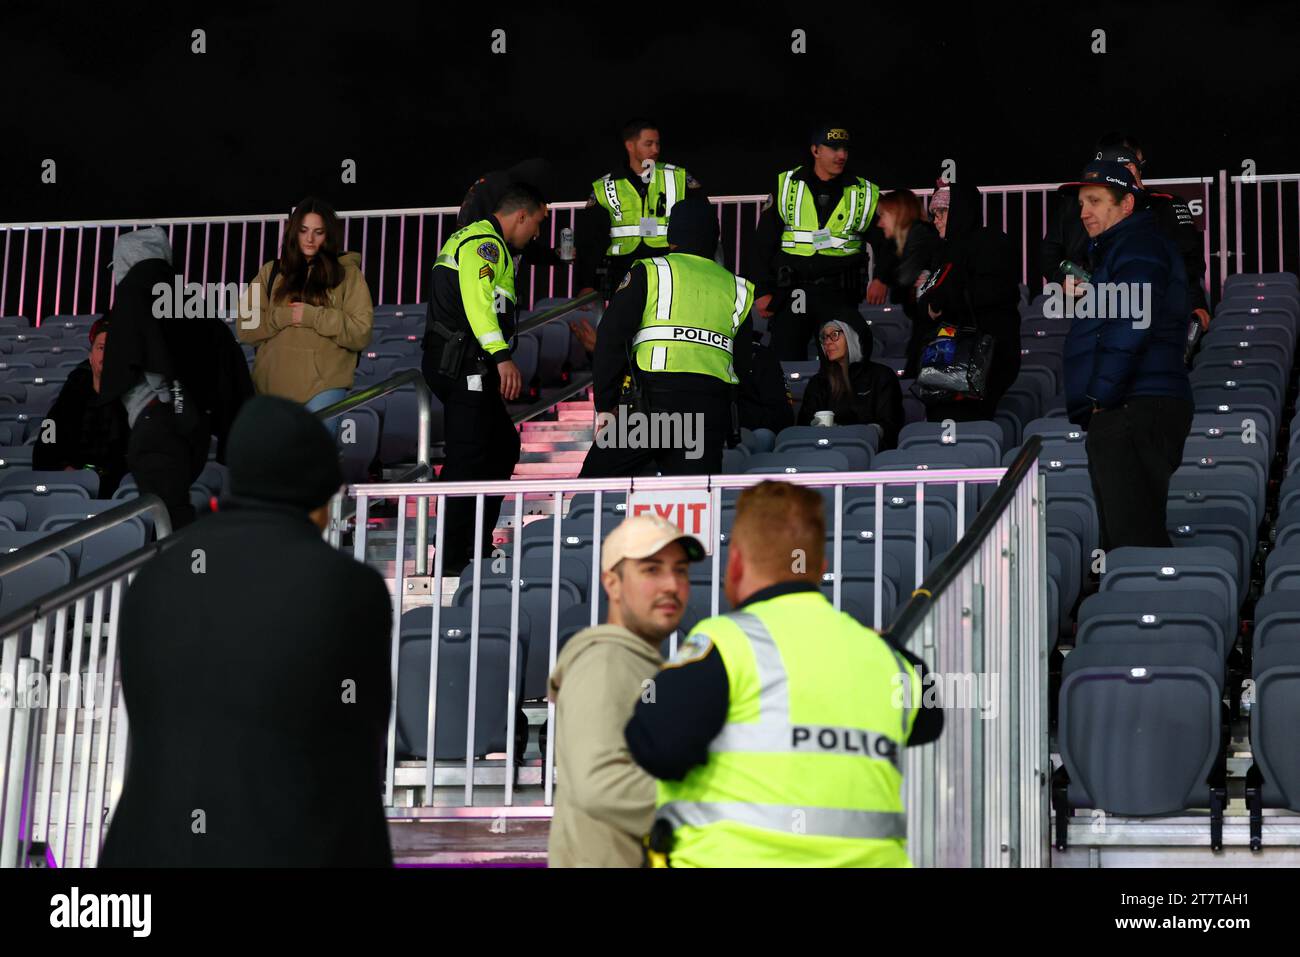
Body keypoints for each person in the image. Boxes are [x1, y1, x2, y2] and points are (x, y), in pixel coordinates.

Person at [99, 396, 393, 867]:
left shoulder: (157, 576)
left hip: (150, 849)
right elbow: (357, 748)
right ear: (316, 495)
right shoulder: (348, 587)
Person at [624, 480, 942, 868]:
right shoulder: (889, 659)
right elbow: (929, 722)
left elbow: (657, 748)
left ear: (736, 563)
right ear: (819, 569)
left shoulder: (725, 643)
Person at [548, 514, 705, 868]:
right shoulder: (605, 662)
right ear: (612, 584)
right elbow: (601, 784)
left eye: (680, 570)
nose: (671, 585)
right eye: (651, 570)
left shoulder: (631, 661)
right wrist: (711, 802)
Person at [1059, 160, 1194, 551]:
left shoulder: (1138, 246)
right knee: (1130, 540)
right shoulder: (1127, 248)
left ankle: (1153, 610)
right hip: (1133, 404)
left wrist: (1101, 398)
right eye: (1082, 202)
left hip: (1134, 406)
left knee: (1134, 544)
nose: (1084, 212)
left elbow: (1130, 326)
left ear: (1127, 205)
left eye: (1096, 201)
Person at [578, 196, 753, 478]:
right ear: (715, 239)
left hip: (652, 411)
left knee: (593, 493)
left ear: (672, 238)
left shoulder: (651, 271)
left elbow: (611, 338)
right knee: (693, 508)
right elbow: (743, 363)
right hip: (706, 417)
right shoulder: (738, 288)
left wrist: (607, 405)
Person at [422, 184, 547, 574]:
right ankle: (451, 559)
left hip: (471, 365)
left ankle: (473, 544)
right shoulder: (485, 243)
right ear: (521, 216)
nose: (538, 235)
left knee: (501, 445)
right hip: (464, 366)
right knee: (467, 458)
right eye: (538, 224)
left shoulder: (489, 243)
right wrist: (503, 358)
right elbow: (478, 305)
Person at [98, 227, 213, 528]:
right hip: (184, 424)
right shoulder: (183, 302)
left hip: (156, 423)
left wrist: (165, 398)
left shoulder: (134, 300)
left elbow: (153, 362)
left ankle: (185, 573)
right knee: (169, 513)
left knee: (169, 518)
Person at [1041, 134, 1209, 333]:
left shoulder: (1164, 205)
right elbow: (1050, 253)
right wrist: (1063, 280)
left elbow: (1189, 263)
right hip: (1091, 312)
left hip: (1156, 312)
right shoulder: (1074, 208)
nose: (1086, 212)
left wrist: (1191, 305)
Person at [746, 125, 882, 361]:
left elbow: (887, 242)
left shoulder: (863, 192)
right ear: (815, 151)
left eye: (845, 149)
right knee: (784, 363)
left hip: (839, 294)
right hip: (793, 292)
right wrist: (762, 290)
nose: (841, 155)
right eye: (833, 148)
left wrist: (882, 278)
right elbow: (762, 244)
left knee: (844, 364)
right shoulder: (787, 185)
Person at [239, 196, 374, 414]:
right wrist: (284, 317)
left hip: (325, 387)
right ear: (294, 231)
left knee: (313, 449)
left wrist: (313, 317)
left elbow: (361, 332)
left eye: (318, 232)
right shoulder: (270, 271)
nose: (309, 238)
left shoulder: (349, 274)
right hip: (271, 389)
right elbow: (246, 326)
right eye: (303, 230)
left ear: (328, 234)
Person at [915, 180, 1022, 422]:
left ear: (960, 211)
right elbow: (925, 300)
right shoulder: (942, 252)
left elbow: (995, 293)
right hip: (946, 360)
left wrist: (942, 301)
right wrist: (933, 304)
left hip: (983, 358)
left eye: (942, 211)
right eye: (933, 213)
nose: (936, 219)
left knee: (967, 425)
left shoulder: (991, 242)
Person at [574, 119, 703, 302]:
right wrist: (586, 284)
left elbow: (704, 221)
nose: (655, 150)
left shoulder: (679, 177)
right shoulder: (605, 186)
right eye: (648, 144)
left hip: (669, 267)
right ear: (630, 146)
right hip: (622, 271)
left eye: (657, 143)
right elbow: (590, 239)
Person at [31, 317, 129, 496]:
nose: (107, 354)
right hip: (71, 489)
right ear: (90, 358)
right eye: (101, 348)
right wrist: (65, 470)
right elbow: (44, 447)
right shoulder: (68, 401)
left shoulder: (133, 402)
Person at [797, 313, 904, 450]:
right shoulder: (819, 382)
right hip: (826, 451)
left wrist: (858, 434)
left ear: (852, 337)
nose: (827, 342)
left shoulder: (882, 376)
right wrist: (814, 427)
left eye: (834, 335)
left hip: (870, 452)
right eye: (824, 337)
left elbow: (891, 424)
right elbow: (803, 425)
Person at [872, 190, 942, 376]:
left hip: (934, 335)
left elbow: (904, 281)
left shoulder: (920, 236)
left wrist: (888, 281)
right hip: (927, 331)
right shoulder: (913, 238)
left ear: (897, 215)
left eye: (883, 216)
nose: (879, 223)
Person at [457, 158, 564, 269]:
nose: (537, 233)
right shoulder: (498, 187)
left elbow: (523, 244)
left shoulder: (505, 188)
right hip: (477, 265)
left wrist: (553, 255)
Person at [736, 331, 795, 437]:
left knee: (764, 436)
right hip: (713, 429)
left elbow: (781, 415)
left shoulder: (763, 357)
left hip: (752, 433)